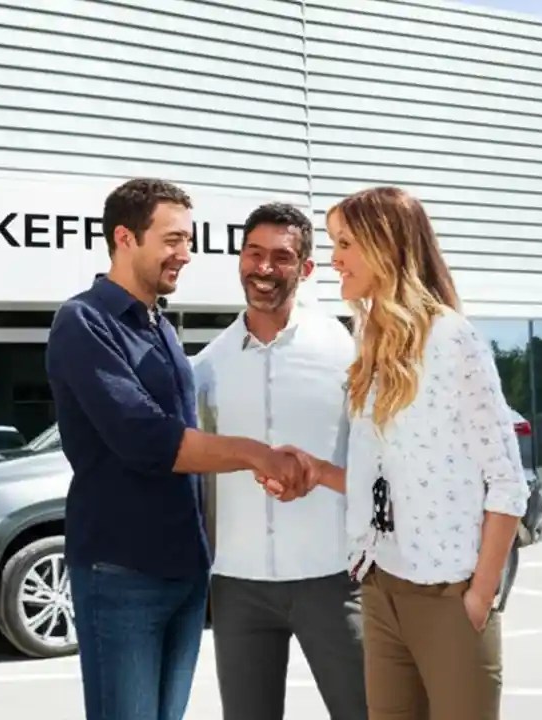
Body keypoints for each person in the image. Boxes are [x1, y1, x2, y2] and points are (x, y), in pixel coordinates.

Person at [44, 178, 310, 720]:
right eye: (172, 240)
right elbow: (144, 439)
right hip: (121, 571)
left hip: (184, 570)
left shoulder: (162, 328)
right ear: (125, 237)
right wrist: (257, 454)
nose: (185, 255)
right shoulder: (83, 322)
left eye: (187, 241)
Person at [310, 186, 531, 720]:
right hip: (382, 587)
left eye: (345, 243)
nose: (334, 258)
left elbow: (506, 483)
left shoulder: (453, 340)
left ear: (384, 245)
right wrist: (320, 472)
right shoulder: (372, 342)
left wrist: (478, 596)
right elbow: (391, 480)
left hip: (448, 597)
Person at [192, 202, 367, 720]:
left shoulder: (348, 353)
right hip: (237, 584)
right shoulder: (208, 365)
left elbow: (382, 462)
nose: (264, 268)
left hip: (332, 577)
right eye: (254, 253)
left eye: (282, 257)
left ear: (306, 268)